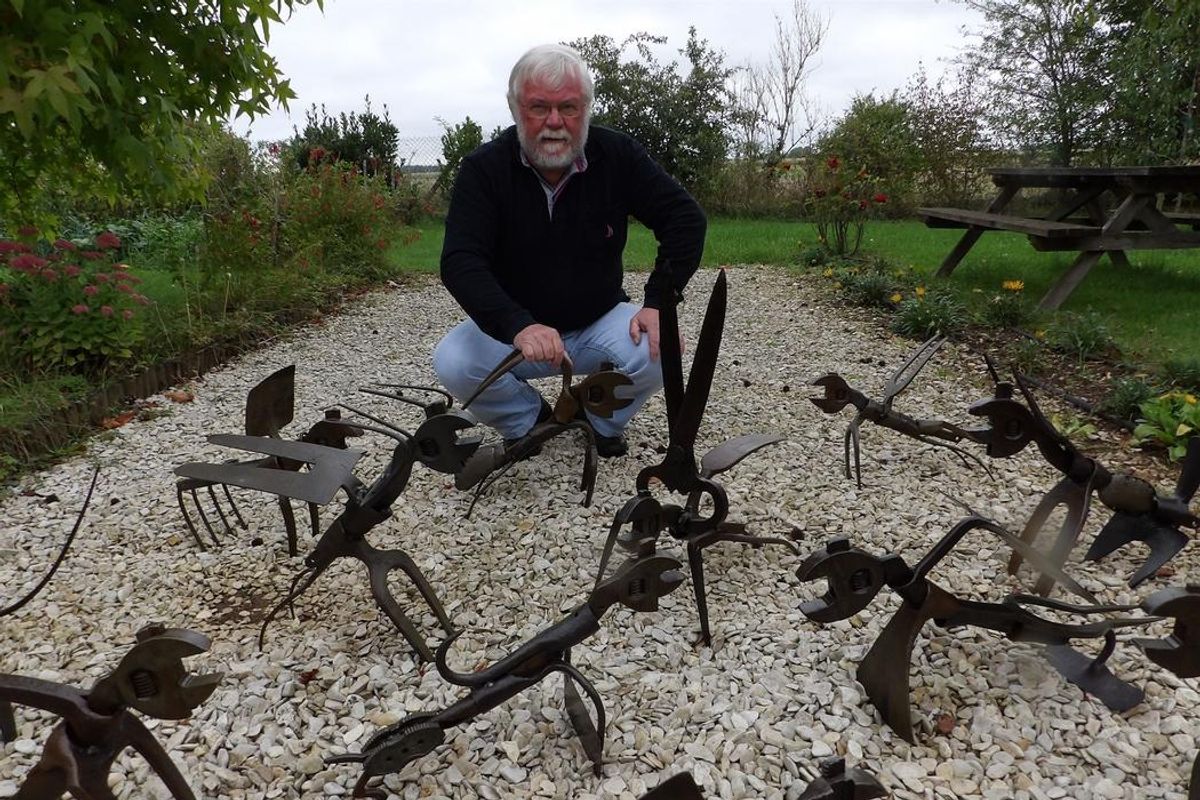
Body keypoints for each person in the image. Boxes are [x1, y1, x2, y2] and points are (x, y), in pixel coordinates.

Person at [433, 43, 706, 460]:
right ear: (514, 109)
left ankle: (599, 422)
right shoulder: (483, 169)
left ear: (587, 109)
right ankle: (529, 420)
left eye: (569, 107)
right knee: (452, 360)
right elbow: (460, 260)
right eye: (539, 107)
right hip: (517, 335)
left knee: (659, 348)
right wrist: (518, 325)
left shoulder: (617, 155)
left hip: (597, 320)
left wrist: (658, 302)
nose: (555, 122)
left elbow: (684, 218)